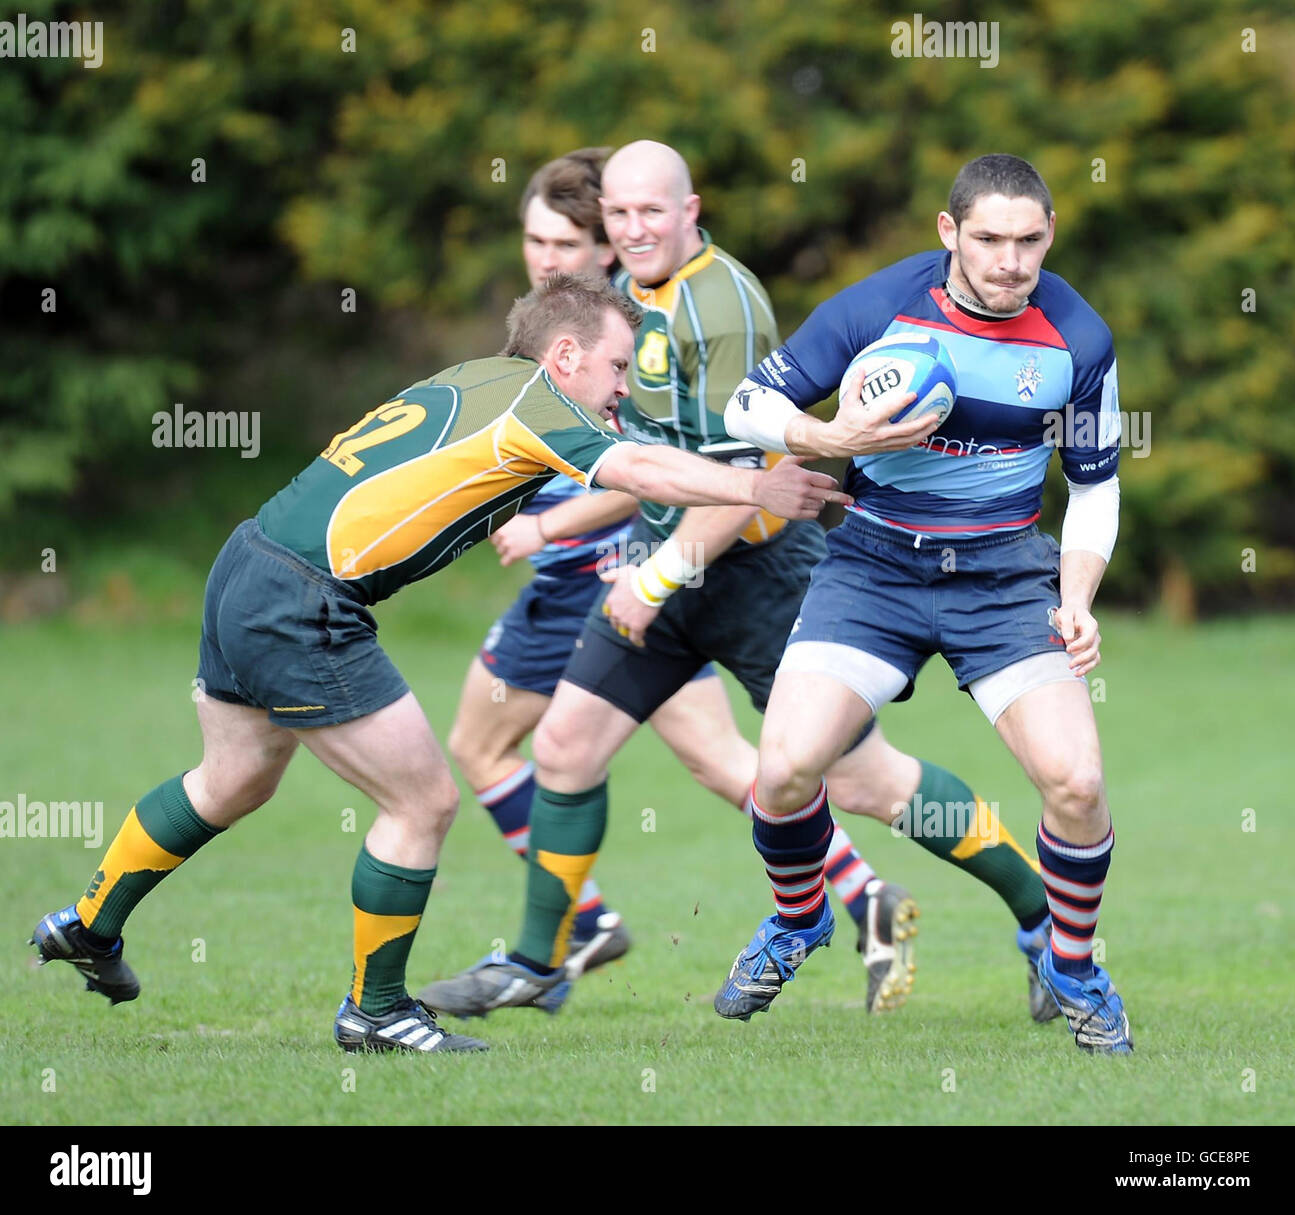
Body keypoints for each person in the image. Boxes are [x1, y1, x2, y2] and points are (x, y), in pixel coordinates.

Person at [29, 273, 845, 1056]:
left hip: (247, 563)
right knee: (421, 802)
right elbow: (635, 469)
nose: (622, 387)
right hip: (307, 601)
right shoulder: (541, 403)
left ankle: (86, 924)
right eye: (617, 365)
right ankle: (376, 1013)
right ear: (564, 356)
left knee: (232, 778)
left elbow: (617, 473)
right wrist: (753, 491)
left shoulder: (477, 379)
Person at [420, 141, 1057, 1024]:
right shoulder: (629, 304)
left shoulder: (721, 302)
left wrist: (654, 578)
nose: (635, 228)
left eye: (653, 212)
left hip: (757, 575)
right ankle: (539, 960)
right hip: (669, 573)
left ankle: (1042, 920)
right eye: (619, 215)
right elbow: (656, 466)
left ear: (691, 209)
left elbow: (749, 468)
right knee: (564, 749)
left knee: (869, 782)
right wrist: (579, 532)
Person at [445, 149, 894, 1001]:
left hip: (643, 569)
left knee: (777, 766)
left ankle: (872, 899)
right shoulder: (572, 330)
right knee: (545, 745)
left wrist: (609, 551)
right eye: (532, 239)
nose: (546, 258)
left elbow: (666, 470)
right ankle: (564, 942)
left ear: (603, 250)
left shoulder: (641, 320)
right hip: (610, 575)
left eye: (562, 241)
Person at [718, 153, 1131, 1054]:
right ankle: (799, 921)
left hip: (1003, 575)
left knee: (1078, 781)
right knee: (783, 769)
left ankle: (1074, 967)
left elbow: (1094, 488)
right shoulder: (879, 310)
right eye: (988, 239)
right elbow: (747, 404)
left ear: (1049, 235)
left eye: (1028, 240)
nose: (1009, 261)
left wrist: (1076, 599)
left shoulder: (1079, 338)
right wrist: (829, 435)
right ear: (949, 232)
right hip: (873, 567)